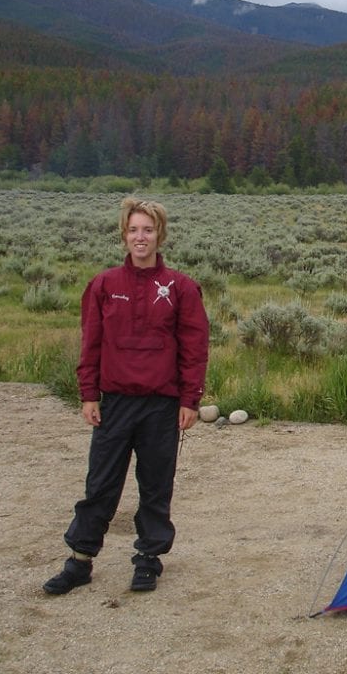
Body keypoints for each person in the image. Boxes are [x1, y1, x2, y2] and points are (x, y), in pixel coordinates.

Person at [43, 197, 209, 594]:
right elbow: (92, 343)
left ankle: (148, 559)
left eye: (148, 230)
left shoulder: (181, 288)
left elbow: (194, 347)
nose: (141, 237)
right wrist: (88, 394)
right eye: (134, 229)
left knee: (155, 483)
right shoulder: (104, 285)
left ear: (160, 235)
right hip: (115, 401)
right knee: (101, 483)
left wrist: (189, 400)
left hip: (161, 405)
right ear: (124, 234)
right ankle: (80, 560)